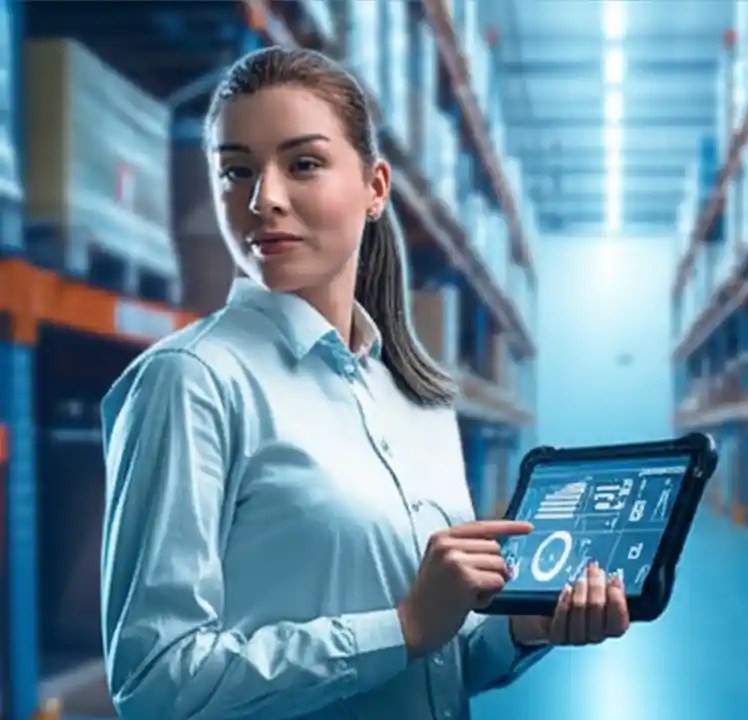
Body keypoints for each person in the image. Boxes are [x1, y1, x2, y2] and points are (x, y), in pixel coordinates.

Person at [99, 45, 631, 720]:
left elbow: (443, 660)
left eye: (303, 164)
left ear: (376, 188)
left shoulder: (416, 399)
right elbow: (154, 683)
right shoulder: (190, 383)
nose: (264, 199)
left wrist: (525, 627)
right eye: (237, 171)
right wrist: (401, 627)